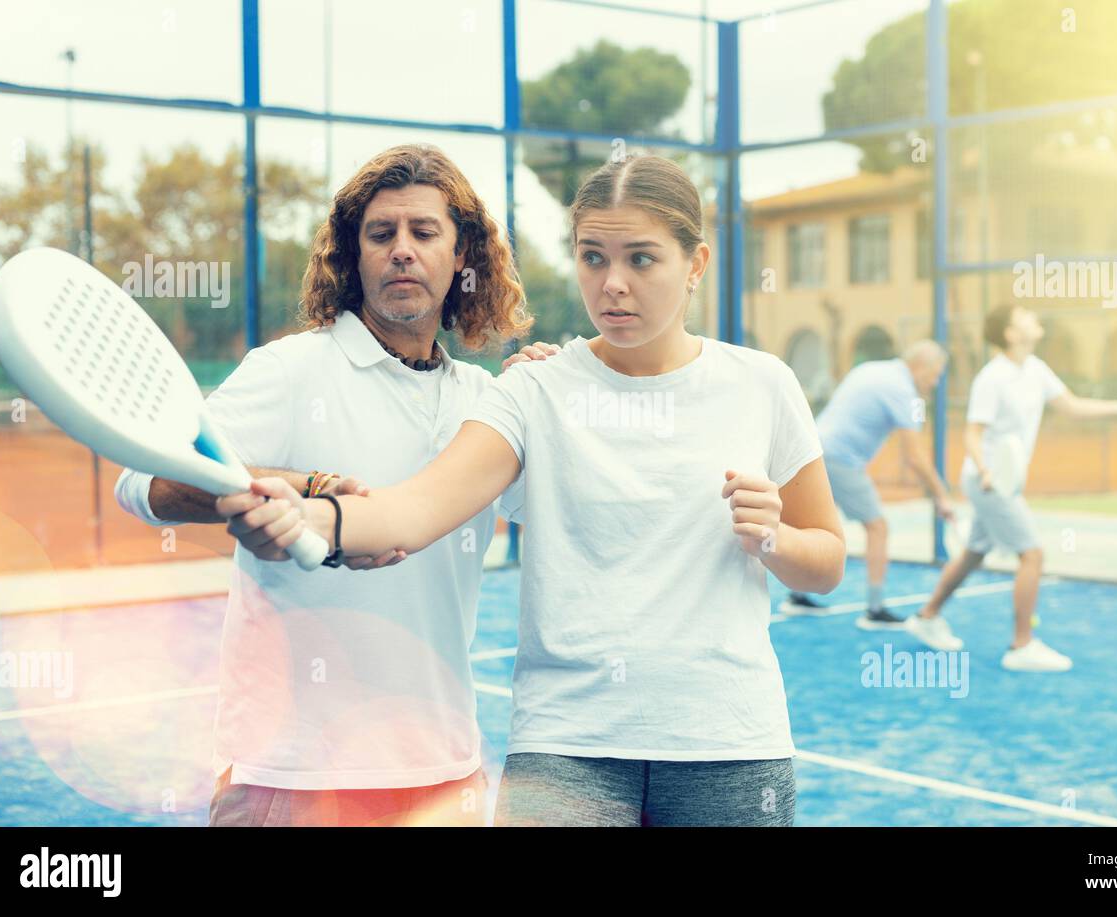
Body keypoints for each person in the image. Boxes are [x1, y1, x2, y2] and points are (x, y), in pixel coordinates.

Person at [217, 154, 847, 827]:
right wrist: (309, 514)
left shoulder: (764, 384)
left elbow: (828, 558)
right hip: (566, 750)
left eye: (641, 260)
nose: (613, 285)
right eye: (592, 257)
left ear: (695, 264)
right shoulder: (531, 389)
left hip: (732, 745)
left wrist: (774, 536)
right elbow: (415, 508)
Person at [115, 144, 561, 826]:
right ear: (353, 258)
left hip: (444, 776)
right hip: (290, 775)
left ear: (463, 254)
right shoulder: (290, 371)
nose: (402, 250)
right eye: (381, 235)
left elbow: (561, 506)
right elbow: (143, 479)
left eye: (424, 232)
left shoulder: (487, 400)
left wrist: (555, 401)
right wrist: (301, 487)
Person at [903, 303, 1117, 672]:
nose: (1033, 319)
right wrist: (986, 470)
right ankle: (1021, 645)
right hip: (989, 484)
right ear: (1010, 333)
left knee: (975, 552)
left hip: (1000, 482)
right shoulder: (992, 378)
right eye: (1024, 316)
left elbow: (1071, 405)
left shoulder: (1035, 370)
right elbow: (973, 433)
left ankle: (927, 617)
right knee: (1033, 554)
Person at [781, 340, 955, 628]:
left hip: (816, 449)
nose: (935, 382)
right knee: (877, 526)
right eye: (935, 374)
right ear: (920, 366)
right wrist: (941, 495)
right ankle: (875, 610)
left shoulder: (874, 370)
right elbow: (914, 455)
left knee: (814, 524)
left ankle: (797, 595)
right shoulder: (905, 392)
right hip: (840, 459)